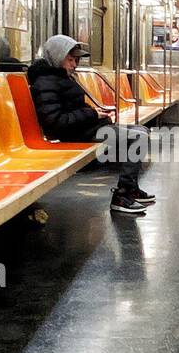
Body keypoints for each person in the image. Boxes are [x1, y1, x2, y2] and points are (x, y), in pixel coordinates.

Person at [27, 35, 155, 217]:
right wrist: (92, 114)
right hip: (74, 134)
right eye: (70, 60)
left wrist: (96, 114)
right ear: (56, 57)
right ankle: (122, 195)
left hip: (84, 127)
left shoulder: (62, 78)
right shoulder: (45, 83)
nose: (74, 65)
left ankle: (131, 188)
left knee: (141, 130)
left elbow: (75, 108)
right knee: (138, 137)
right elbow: (56, 123)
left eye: (76, 60)